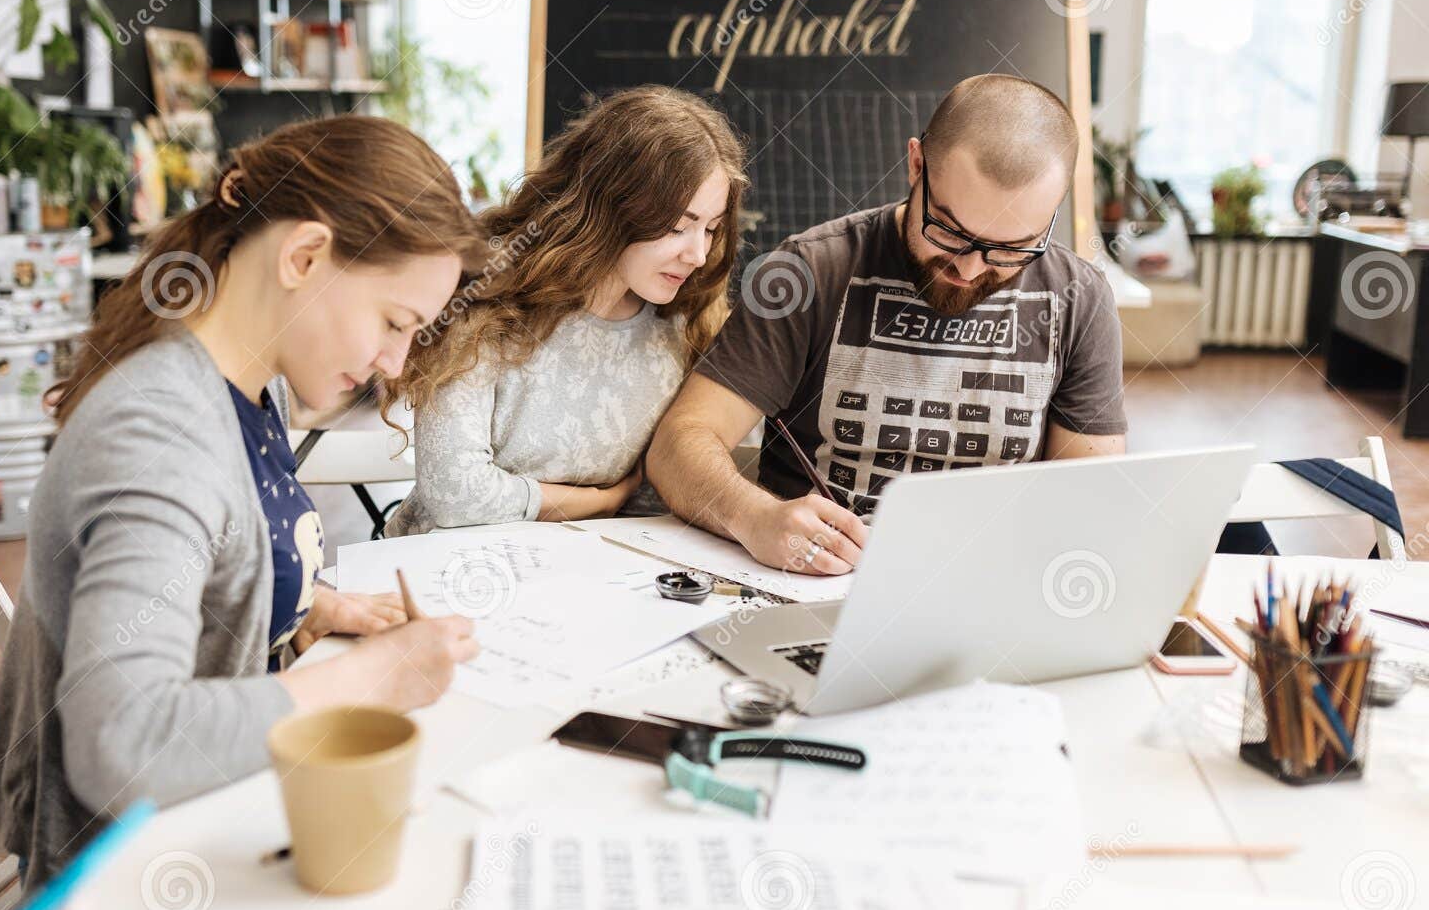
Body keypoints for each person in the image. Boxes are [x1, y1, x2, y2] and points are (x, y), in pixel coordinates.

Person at [0, 116, 483, 887]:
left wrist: (307, 603)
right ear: (305, 255)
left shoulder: (254, 384)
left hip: (200, 823)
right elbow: (124, 744)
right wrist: (373, 677)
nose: (394, 361)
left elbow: (210, 562)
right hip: (116, 879)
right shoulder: (161, 432)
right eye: (393, 322)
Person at [648, 74, 1127, 576]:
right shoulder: (809, 273)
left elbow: (1085, 500)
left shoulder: (1080, 299)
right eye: (949, 231)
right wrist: (755, 517)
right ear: (916, 164)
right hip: (821, 583)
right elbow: (679, 445)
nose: (968, 269)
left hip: (993, 584)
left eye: (1011, 248)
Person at [383, 86, 747, 533]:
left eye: (711, 229)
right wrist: (601, 501)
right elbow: (455, 497)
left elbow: (673, 486)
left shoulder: (685, 321)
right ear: (613, 205)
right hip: (448, 570)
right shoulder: (490, 298)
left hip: (589, 575)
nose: (697, 254)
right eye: (677, 227)